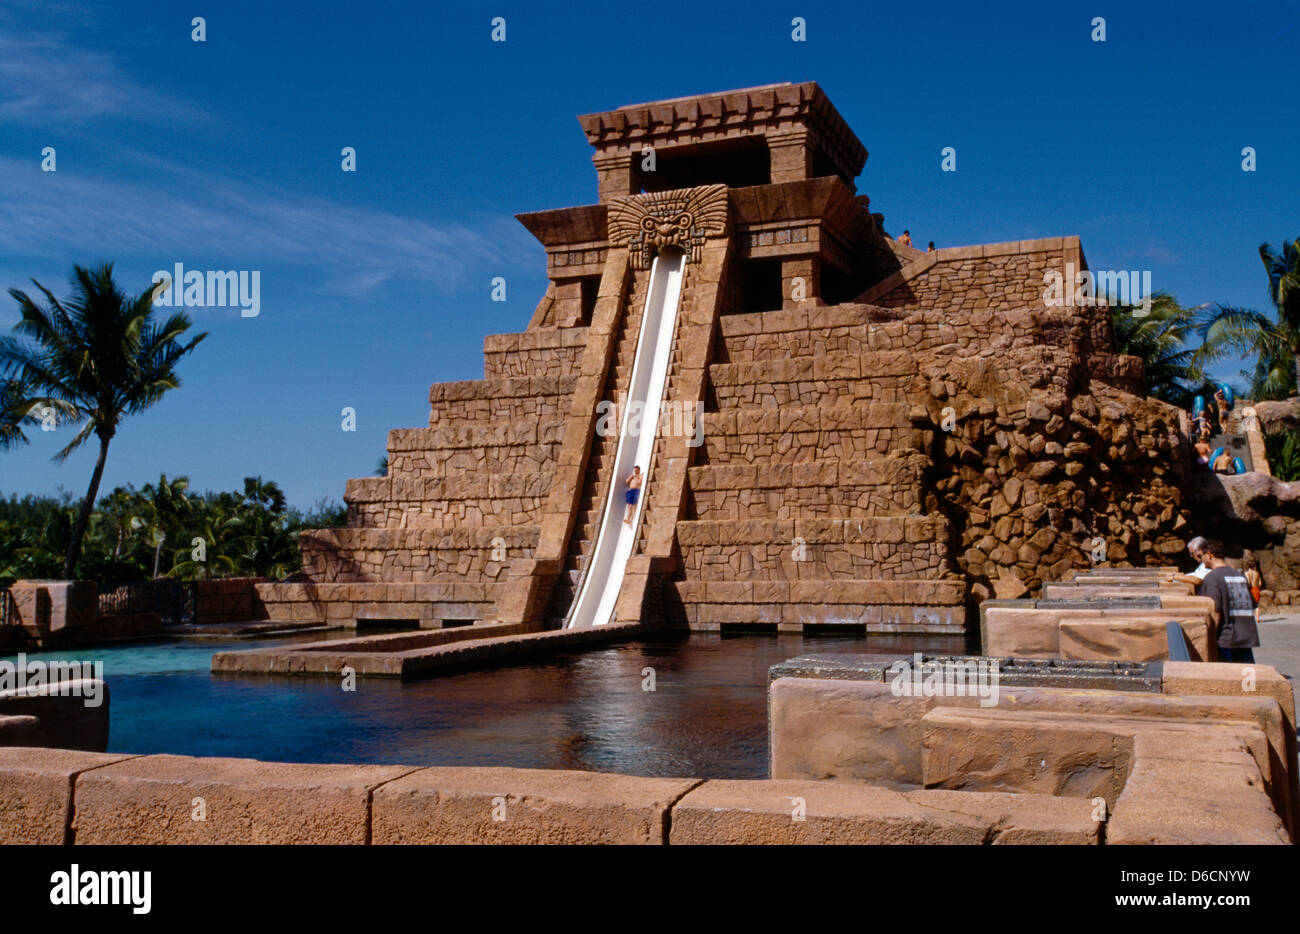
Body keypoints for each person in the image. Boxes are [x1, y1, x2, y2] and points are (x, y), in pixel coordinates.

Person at [1198, 539, 1260, 663]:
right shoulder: (1239, 575)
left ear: (1209, 554)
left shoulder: (1212, 578)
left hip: (1226, 639)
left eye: (1201, 556)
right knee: (1247, 679)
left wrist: (1207, 637)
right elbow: (1252, 604)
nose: (1201, 560)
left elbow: (1215, 611)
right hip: (1246, 637)